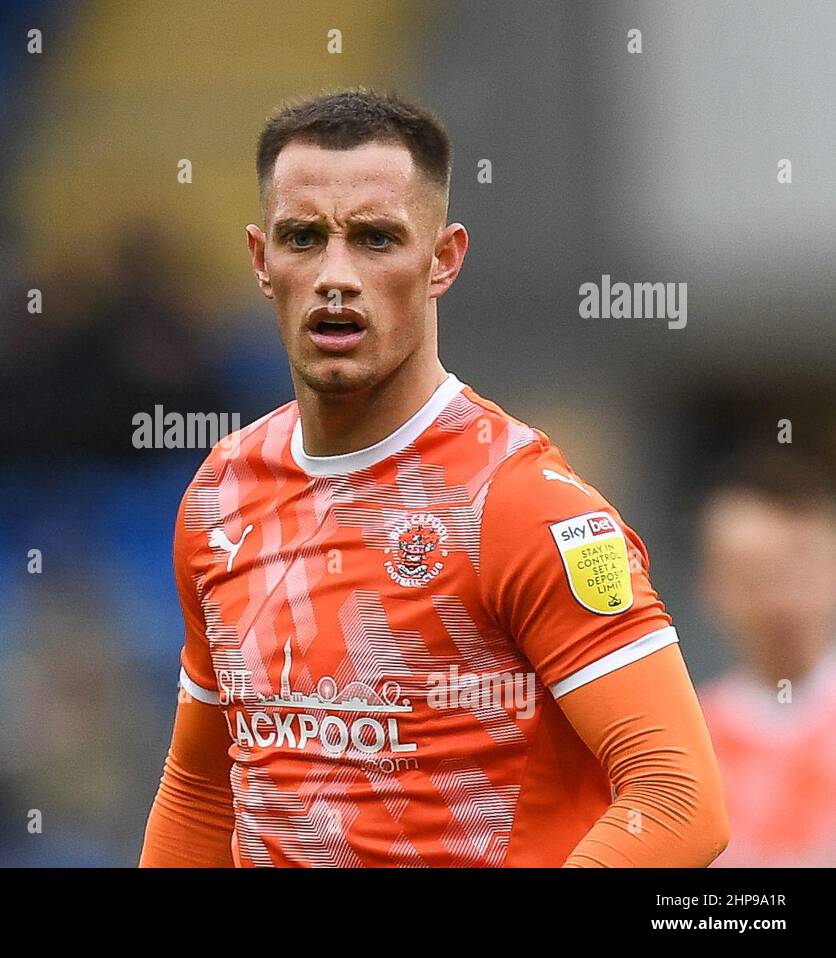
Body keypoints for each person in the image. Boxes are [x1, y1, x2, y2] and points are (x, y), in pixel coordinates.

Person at [139, 89, 728, 867]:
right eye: (304, 238)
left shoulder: (519, 505)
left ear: (443, 259)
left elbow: (677, 798)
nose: (335, 277)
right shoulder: (221, 494)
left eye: (377, 239)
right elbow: (202, 789)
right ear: (260, 260)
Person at [696, 451, 836, 866]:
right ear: (711, 588)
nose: (779, 602)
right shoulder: (684, 744)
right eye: (753, 577)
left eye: (798, 569)